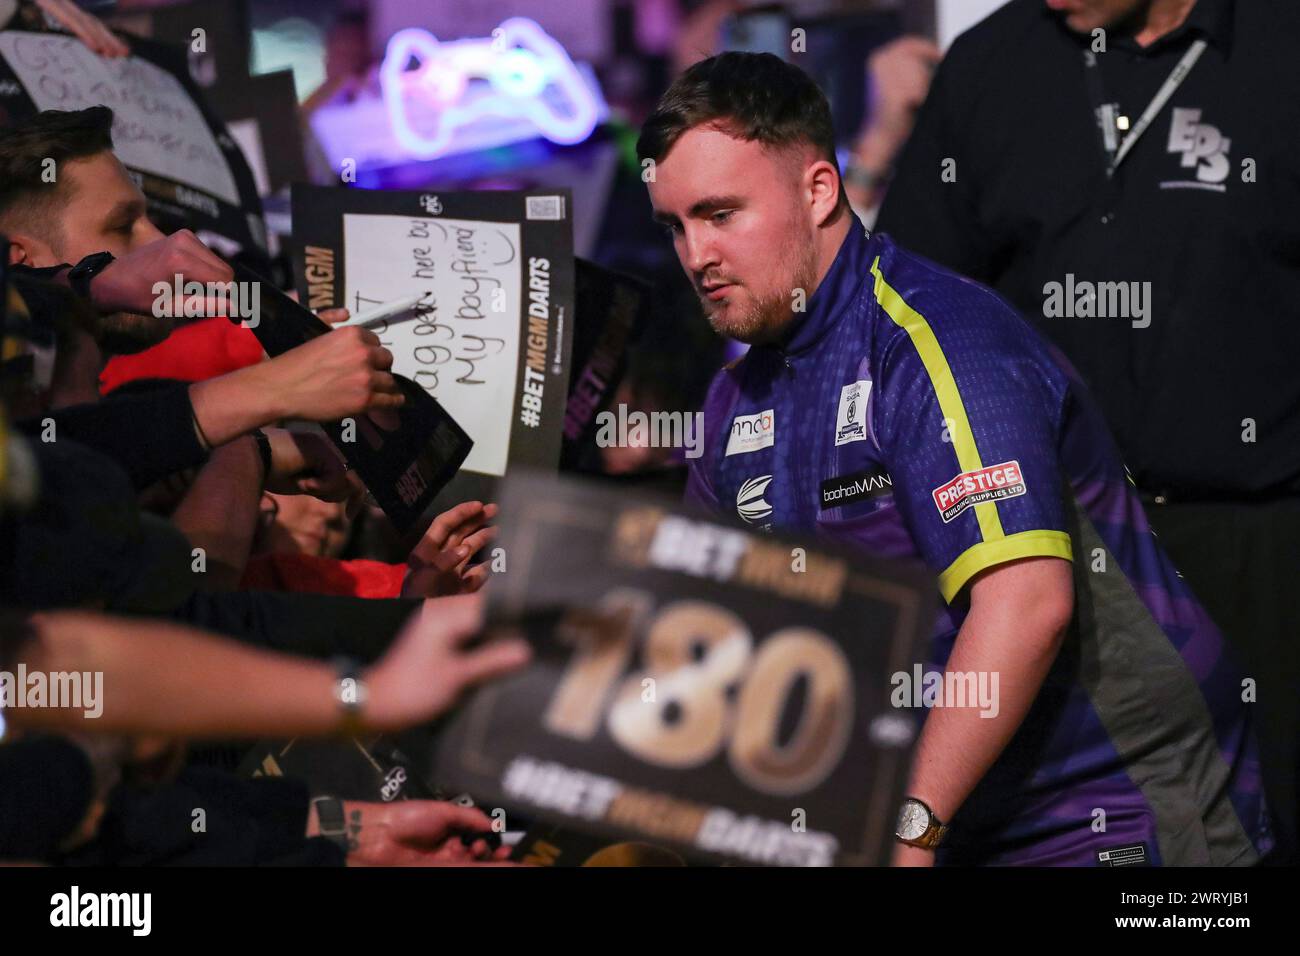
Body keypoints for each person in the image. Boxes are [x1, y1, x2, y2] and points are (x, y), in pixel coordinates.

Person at [639, 51, 1270, 866]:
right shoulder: (735, 400)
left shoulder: (940, 346)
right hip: (948, 818)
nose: (697, 254)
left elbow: (1025, 605)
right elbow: (704, 623)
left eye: (721, 214)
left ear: (819, 190)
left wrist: (910, 831)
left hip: (1114, 804)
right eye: (676, 226)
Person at [874, 0, 1300, 863]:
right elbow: (909, 306)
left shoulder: (1281, 45)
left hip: (1263, 540)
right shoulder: (990, 65)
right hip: (1067, 553)